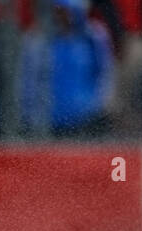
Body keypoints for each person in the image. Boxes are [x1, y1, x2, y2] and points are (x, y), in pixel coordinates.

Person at [18, 0, 115, 138]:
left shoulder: (94, 37)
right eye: (57, 11)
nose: (62, 16)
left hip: (86, 120)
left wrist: (100, 108)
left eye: (66, 11)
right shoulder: (36, 40)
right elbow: (28, 82)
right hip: (48, 123)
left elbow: (105, 74)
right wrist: (31, 116)